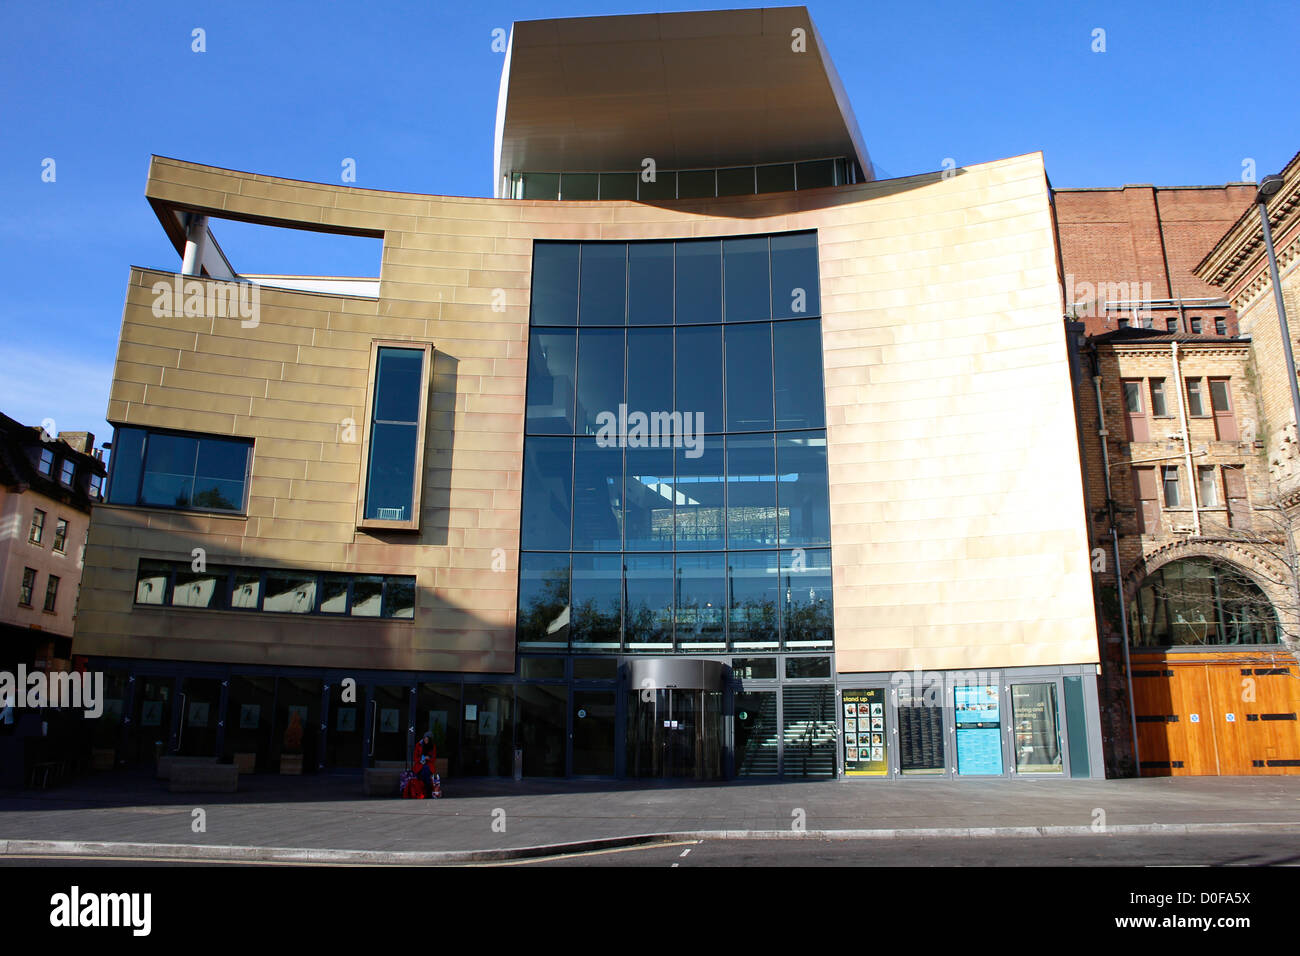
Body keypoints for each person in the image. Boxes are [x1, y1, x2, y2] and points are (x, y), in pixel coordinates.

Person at [413, 731, 437, 798]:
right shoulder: (418, 745)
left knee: (426, 770)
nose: (426, 740)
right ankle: (427, 792)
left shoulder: (432, 746)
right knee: (425, 771)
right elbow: (415, 758)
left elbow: (433, 758)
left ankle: (426, 792)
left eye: (427, 739)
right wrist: (422, 758)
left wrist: (428, 758)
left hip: (429, 764)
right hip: (419, 765)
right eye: (425, 739)